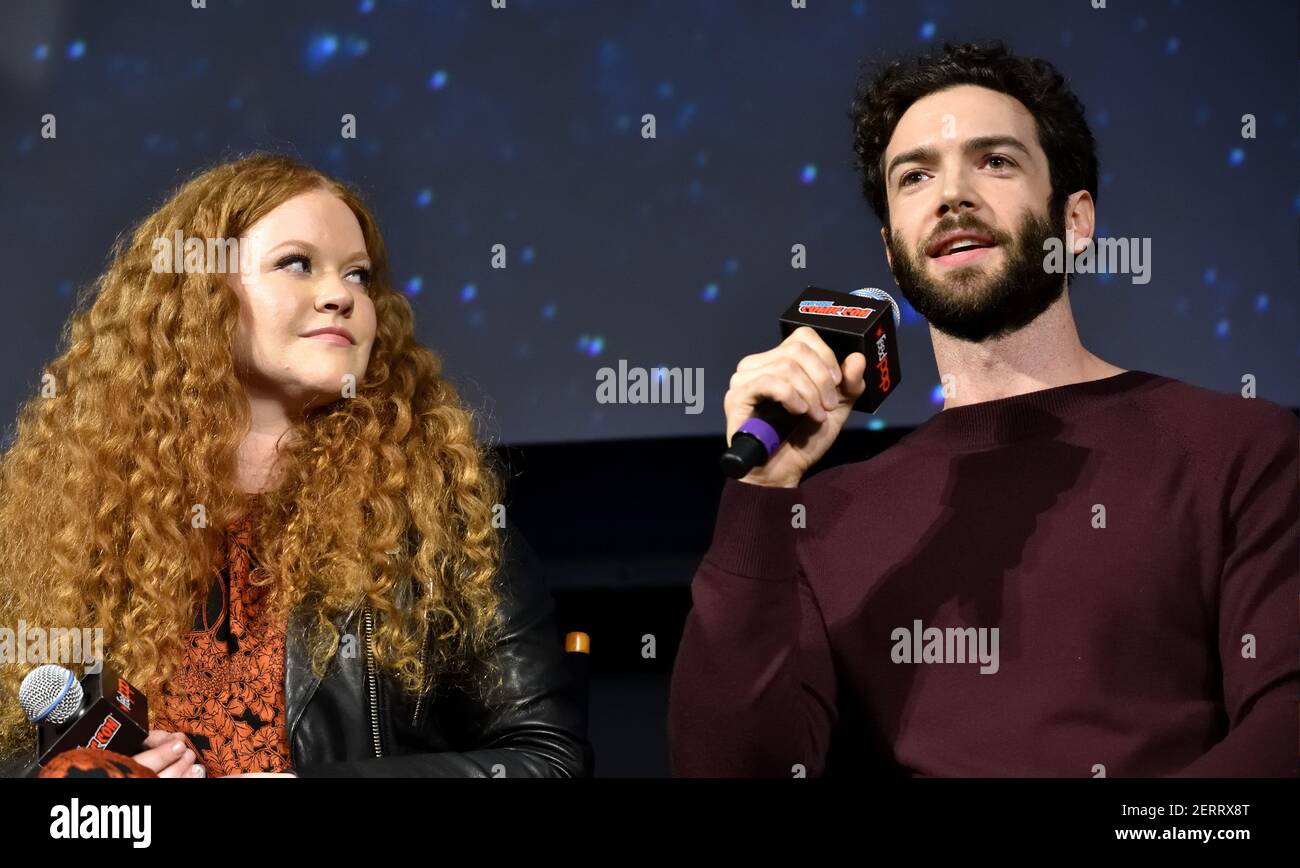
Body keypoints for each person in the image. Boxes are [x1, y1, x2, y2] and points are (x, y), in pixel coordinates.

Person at [668, 42, 1298, 777]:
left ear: (1076, 221)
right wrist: (761, 496)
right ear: (893, 253)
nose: (952, 195)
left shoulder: (1236, 449)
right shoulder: (821, 519)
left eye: (995, 161)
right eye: (915, 176)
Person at [0, 153, 591, 778]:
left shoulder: (445, 530)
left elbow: (549, 763)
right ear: (198, 296)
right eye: (297, 263)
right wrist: (83, 786)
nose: (341, 295)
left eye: (359, 276)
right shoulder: (68, 530)